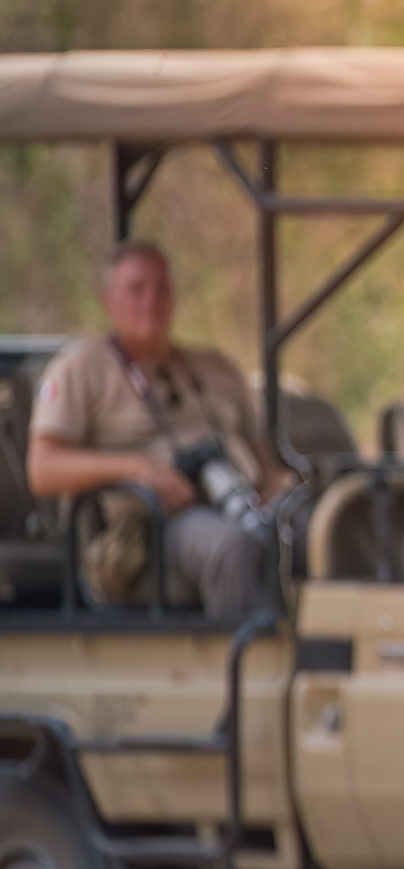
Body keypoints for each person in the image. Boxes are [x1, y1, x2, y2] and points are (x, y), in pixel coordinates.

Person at [26, 242, 293, 620]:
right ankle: (245, 670)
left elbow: (268, 467)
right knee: (228, 547)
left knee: (319, 524)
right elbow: (43, 469)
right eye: (136, 290)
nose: (151, 300)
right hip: (151, 530)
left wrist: (279, 493)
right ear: (108, 301)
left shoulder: (215, 368)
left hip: (239, 503)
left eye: (162, 289)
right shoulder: (81, 368)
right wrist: (137, 470)